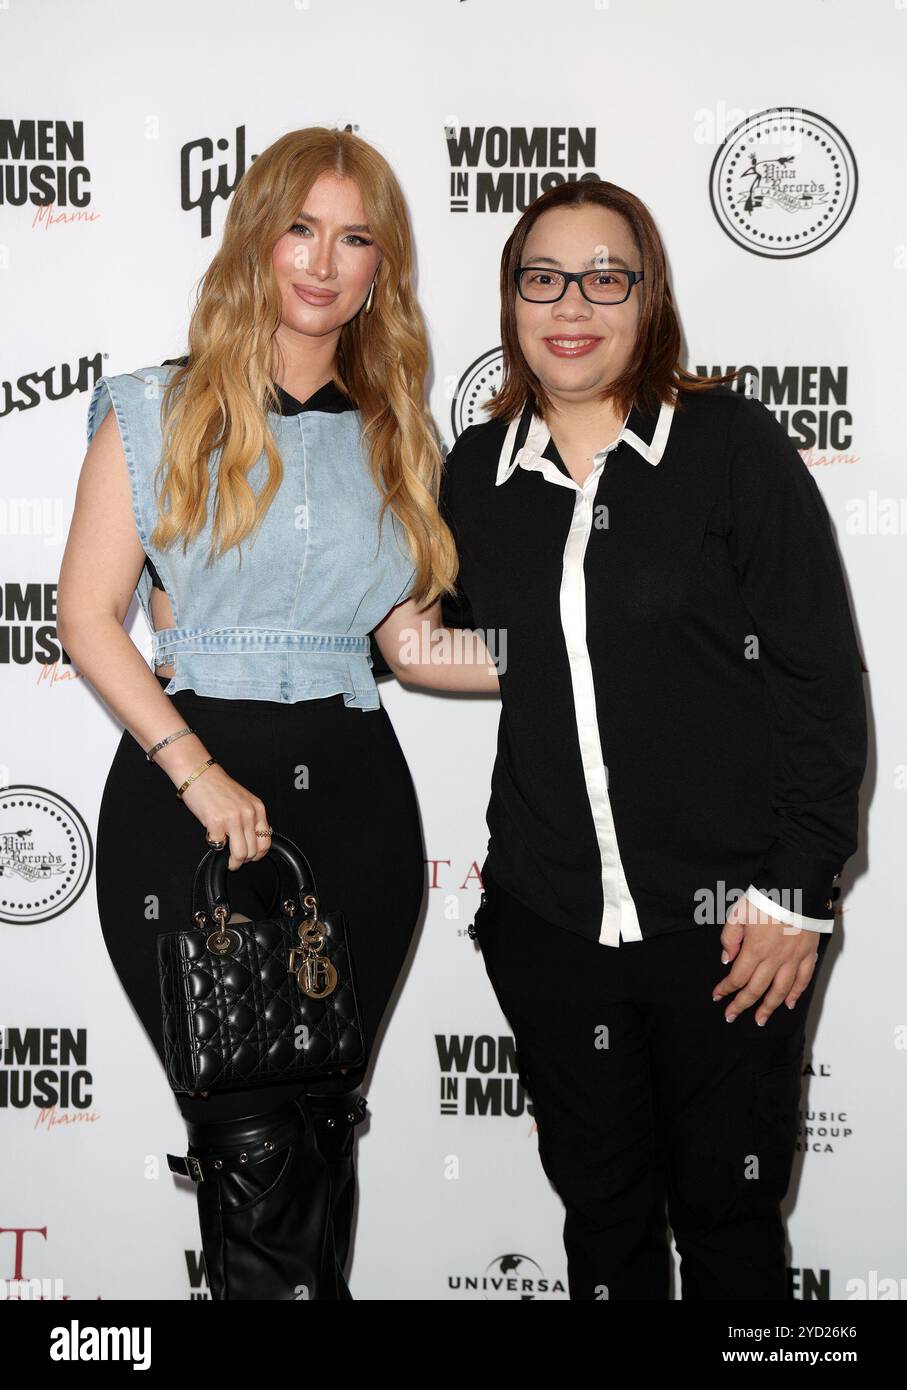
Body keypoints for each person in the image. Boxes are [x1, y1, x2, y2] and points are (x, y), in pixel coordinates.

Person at [382, 179, 867, 1299]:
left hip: (730, 931)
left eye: (607, 277)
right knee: (603, 1228)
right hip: (551, 927)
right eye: (542, 277)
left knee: (730, 1224)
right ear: (511, 300)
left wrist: (797, 893)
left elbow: (817, 680)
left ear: (648, 298)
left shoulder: (726, 444)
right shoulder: (476, 473)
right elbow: (499, 648)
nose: (573, 304)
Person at [57, 127, 494, 1300]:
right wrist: (197, 774)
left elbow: (405, 641)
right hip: (186, 802)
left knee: (314, 1130)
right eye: (301, 227)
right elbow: (89, 617)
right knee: (251, 1149)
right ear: (257, 238)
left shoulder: (402, 435)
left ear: (380, 269)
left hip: (355, 808)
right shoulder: (153, 412)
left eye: (356, 239)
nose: (322, 260)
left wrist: (572, 659)